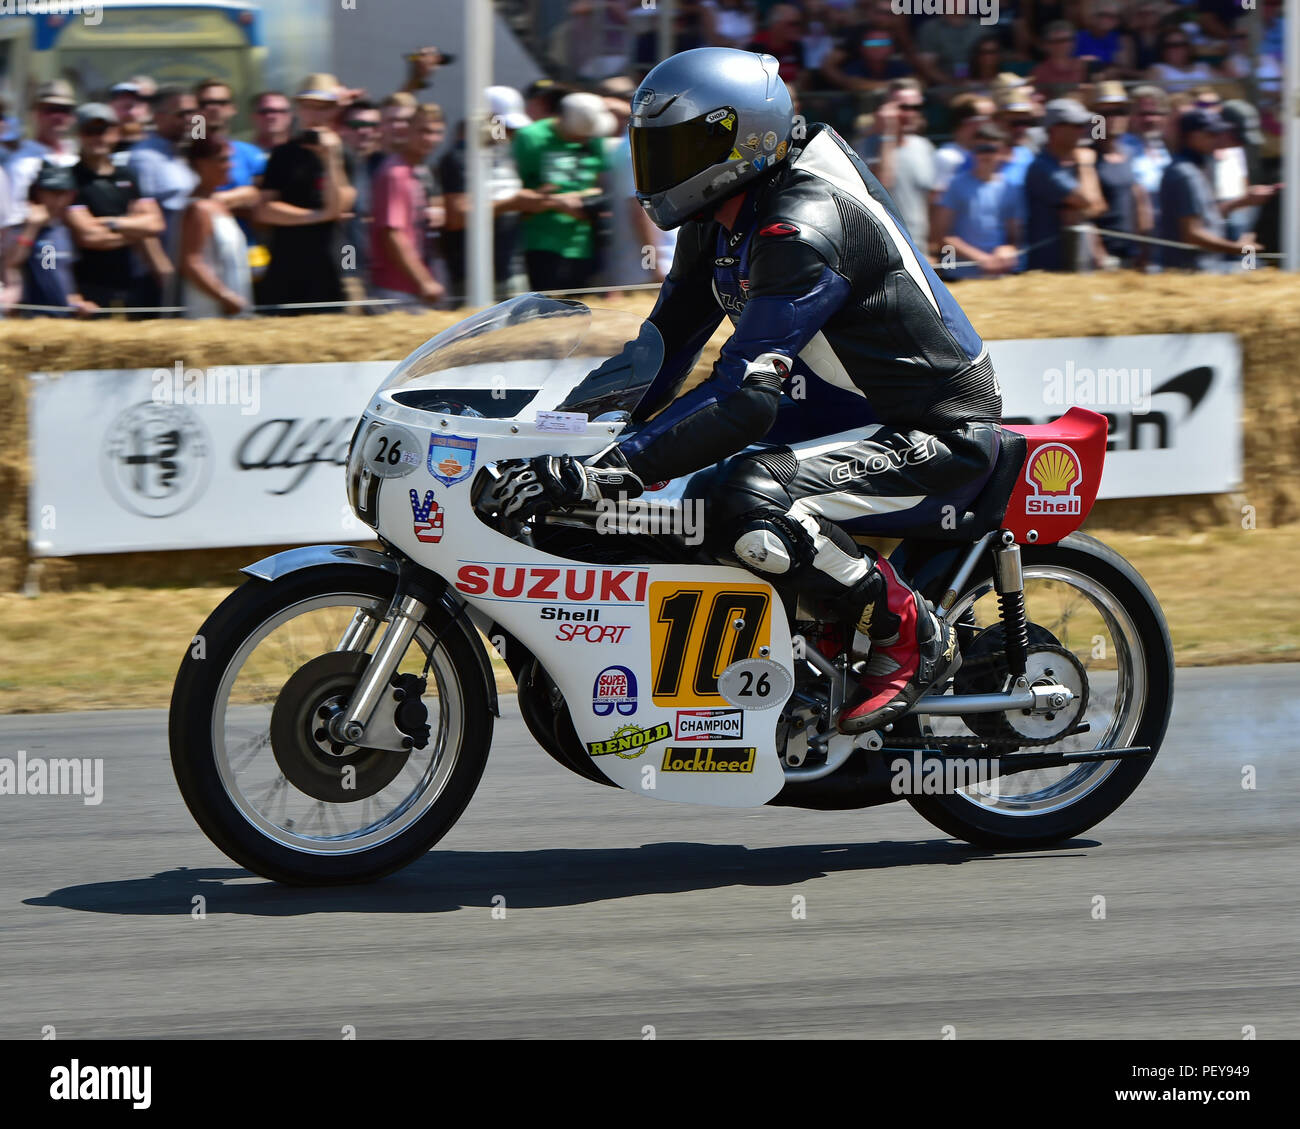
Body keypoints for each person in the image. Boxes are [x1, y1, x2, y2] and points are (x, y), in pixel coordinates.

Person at [486, 48, 1004, 733]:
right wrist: (553, 436)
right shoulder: (721, 213)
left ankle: (906, 629)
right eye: (652, 148)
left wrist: (608, 471)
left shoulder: (802, 222)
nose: (659, 166)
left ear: (742, 137)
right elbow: (660, 351)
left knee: (742, 496)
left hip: (934, 428)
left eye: (678, 147)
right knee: (669, 508)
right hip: (834, 417)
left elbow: (745, 394)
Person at [254, 74, 355, 312]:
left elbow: (341, 206)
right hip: (285, 265)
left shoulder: (344, 153)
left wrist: (330, 158)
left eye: (324, 108)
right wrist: (317, 216)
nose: (316, 115)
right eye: (309, 107)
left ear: (334, 111)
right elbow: (264, 211)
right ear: (299, 109)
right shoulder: (284, 154)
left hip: (330, 265)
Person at [65, 103, 167, 312]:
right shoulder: (70, 178)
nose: (98, 137)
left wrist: (109, 223)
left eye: (103, 130)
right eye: (90, 131)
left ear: (115, 133)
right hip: (88, 288)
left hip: (131, 283)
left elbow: (156, 224)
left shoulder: (127, 175)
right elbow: (89, 236)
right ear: (79, 135)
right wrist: (135, 230)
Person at [512, 91, 613, 292]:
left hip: (586, 241)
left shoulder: (595, 139)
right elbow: (515, 195)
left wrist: (592, 201)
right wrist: (560, 203)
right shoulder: (530, 138)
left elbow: (602, 183)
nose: (585, 140)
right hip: (543, 242)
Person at [1158, 108, 1276, 272]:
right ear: (1193, 136)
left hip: (1204, 268)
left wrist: (1244, 201)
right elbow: (1192, 234)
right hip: (1191, 272)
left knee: (1256, 270)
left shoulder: (1196, 169)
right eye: (1211, 134)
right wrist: (1239, 248)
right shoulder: (1185, 174)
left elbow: (1206, 217)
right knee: (1255, 273)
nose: (1218, 139)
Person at [368, 103, 446, 308]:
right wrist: (425, 282)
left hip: (416, 286)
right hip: (399, 289)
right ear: (407, 131)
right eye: (423, 131)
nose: (430, 139)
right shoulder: (395, 173)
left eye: (436, 132)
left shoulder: (421, 170)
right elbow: (392, 234)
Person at [124, 83, 201, 274]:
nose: (191, 119)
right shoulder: (144, 157)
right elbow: (142, 217)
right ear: (159, 117)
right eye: (182, 114)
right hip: (164, 272)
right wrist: (164, 273)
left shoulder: (192, 152)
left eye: (193, 112)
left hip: (195, 269)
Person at [1024, 97, 1107, 270]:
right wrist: (1086, 165)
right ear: (1055, 129)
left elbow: (1099, 207)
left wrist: (1081, 211)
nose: (1083, 131)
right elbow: (1088, 200)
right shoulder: (1042, 168)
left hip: (1078, 259)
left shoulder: (1070, 162)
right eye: (1076, 126)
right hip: (1050, 265)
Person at [933, 123, 1024, 279]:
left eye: (992, 150)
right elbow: (941, 236)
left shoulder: (1010, 189)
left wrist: (1008, 249)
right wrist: (982, 259)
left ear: (1002, 152)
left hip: (998, 276)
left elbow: (1014, 237)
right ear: (972, 152)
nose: (986, 155)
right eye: (981, 149)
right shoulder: (956, 185)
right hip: (961, 276)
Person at [856, 79, 936, 255]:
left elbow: (930, 201)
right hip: (884, 250)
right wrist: (888, 133)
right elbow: (882, 184)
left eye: (916, 108)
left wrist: (933, 247)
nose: (910, 113)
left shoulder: (924, 146)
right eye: (903, 107)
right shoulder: (867, 146)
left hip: (919, 249)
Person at [6, 162, 95, 316]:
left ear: (71, 195)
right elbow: (10, 263)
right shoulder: (20, 228)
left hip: (62, 319)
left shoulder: (66, 229)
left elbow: (64, 275)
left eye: (63, 192)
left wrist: (77, 302)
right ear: (38, 193)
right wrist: (31, 228)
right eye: (52, 192)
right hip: (32, 318)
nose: (58, 199)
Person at [179, 132, 252, 317]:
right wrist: (225, 297)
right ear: (202, 164)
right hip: (211, 310)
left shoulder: (218, 204)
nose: (230, 165)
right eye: (223, 160)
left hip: (233, 306)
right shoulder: (198, 209)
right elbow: (191, 262)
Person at [4, 81, 80, 230]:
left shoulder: (78, 156)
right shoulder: (19, 162)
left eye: (65, 110)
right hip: (36, 244)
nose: (58, 116)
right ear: (35, 113)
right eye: (51, 109)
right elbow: (12, 219)